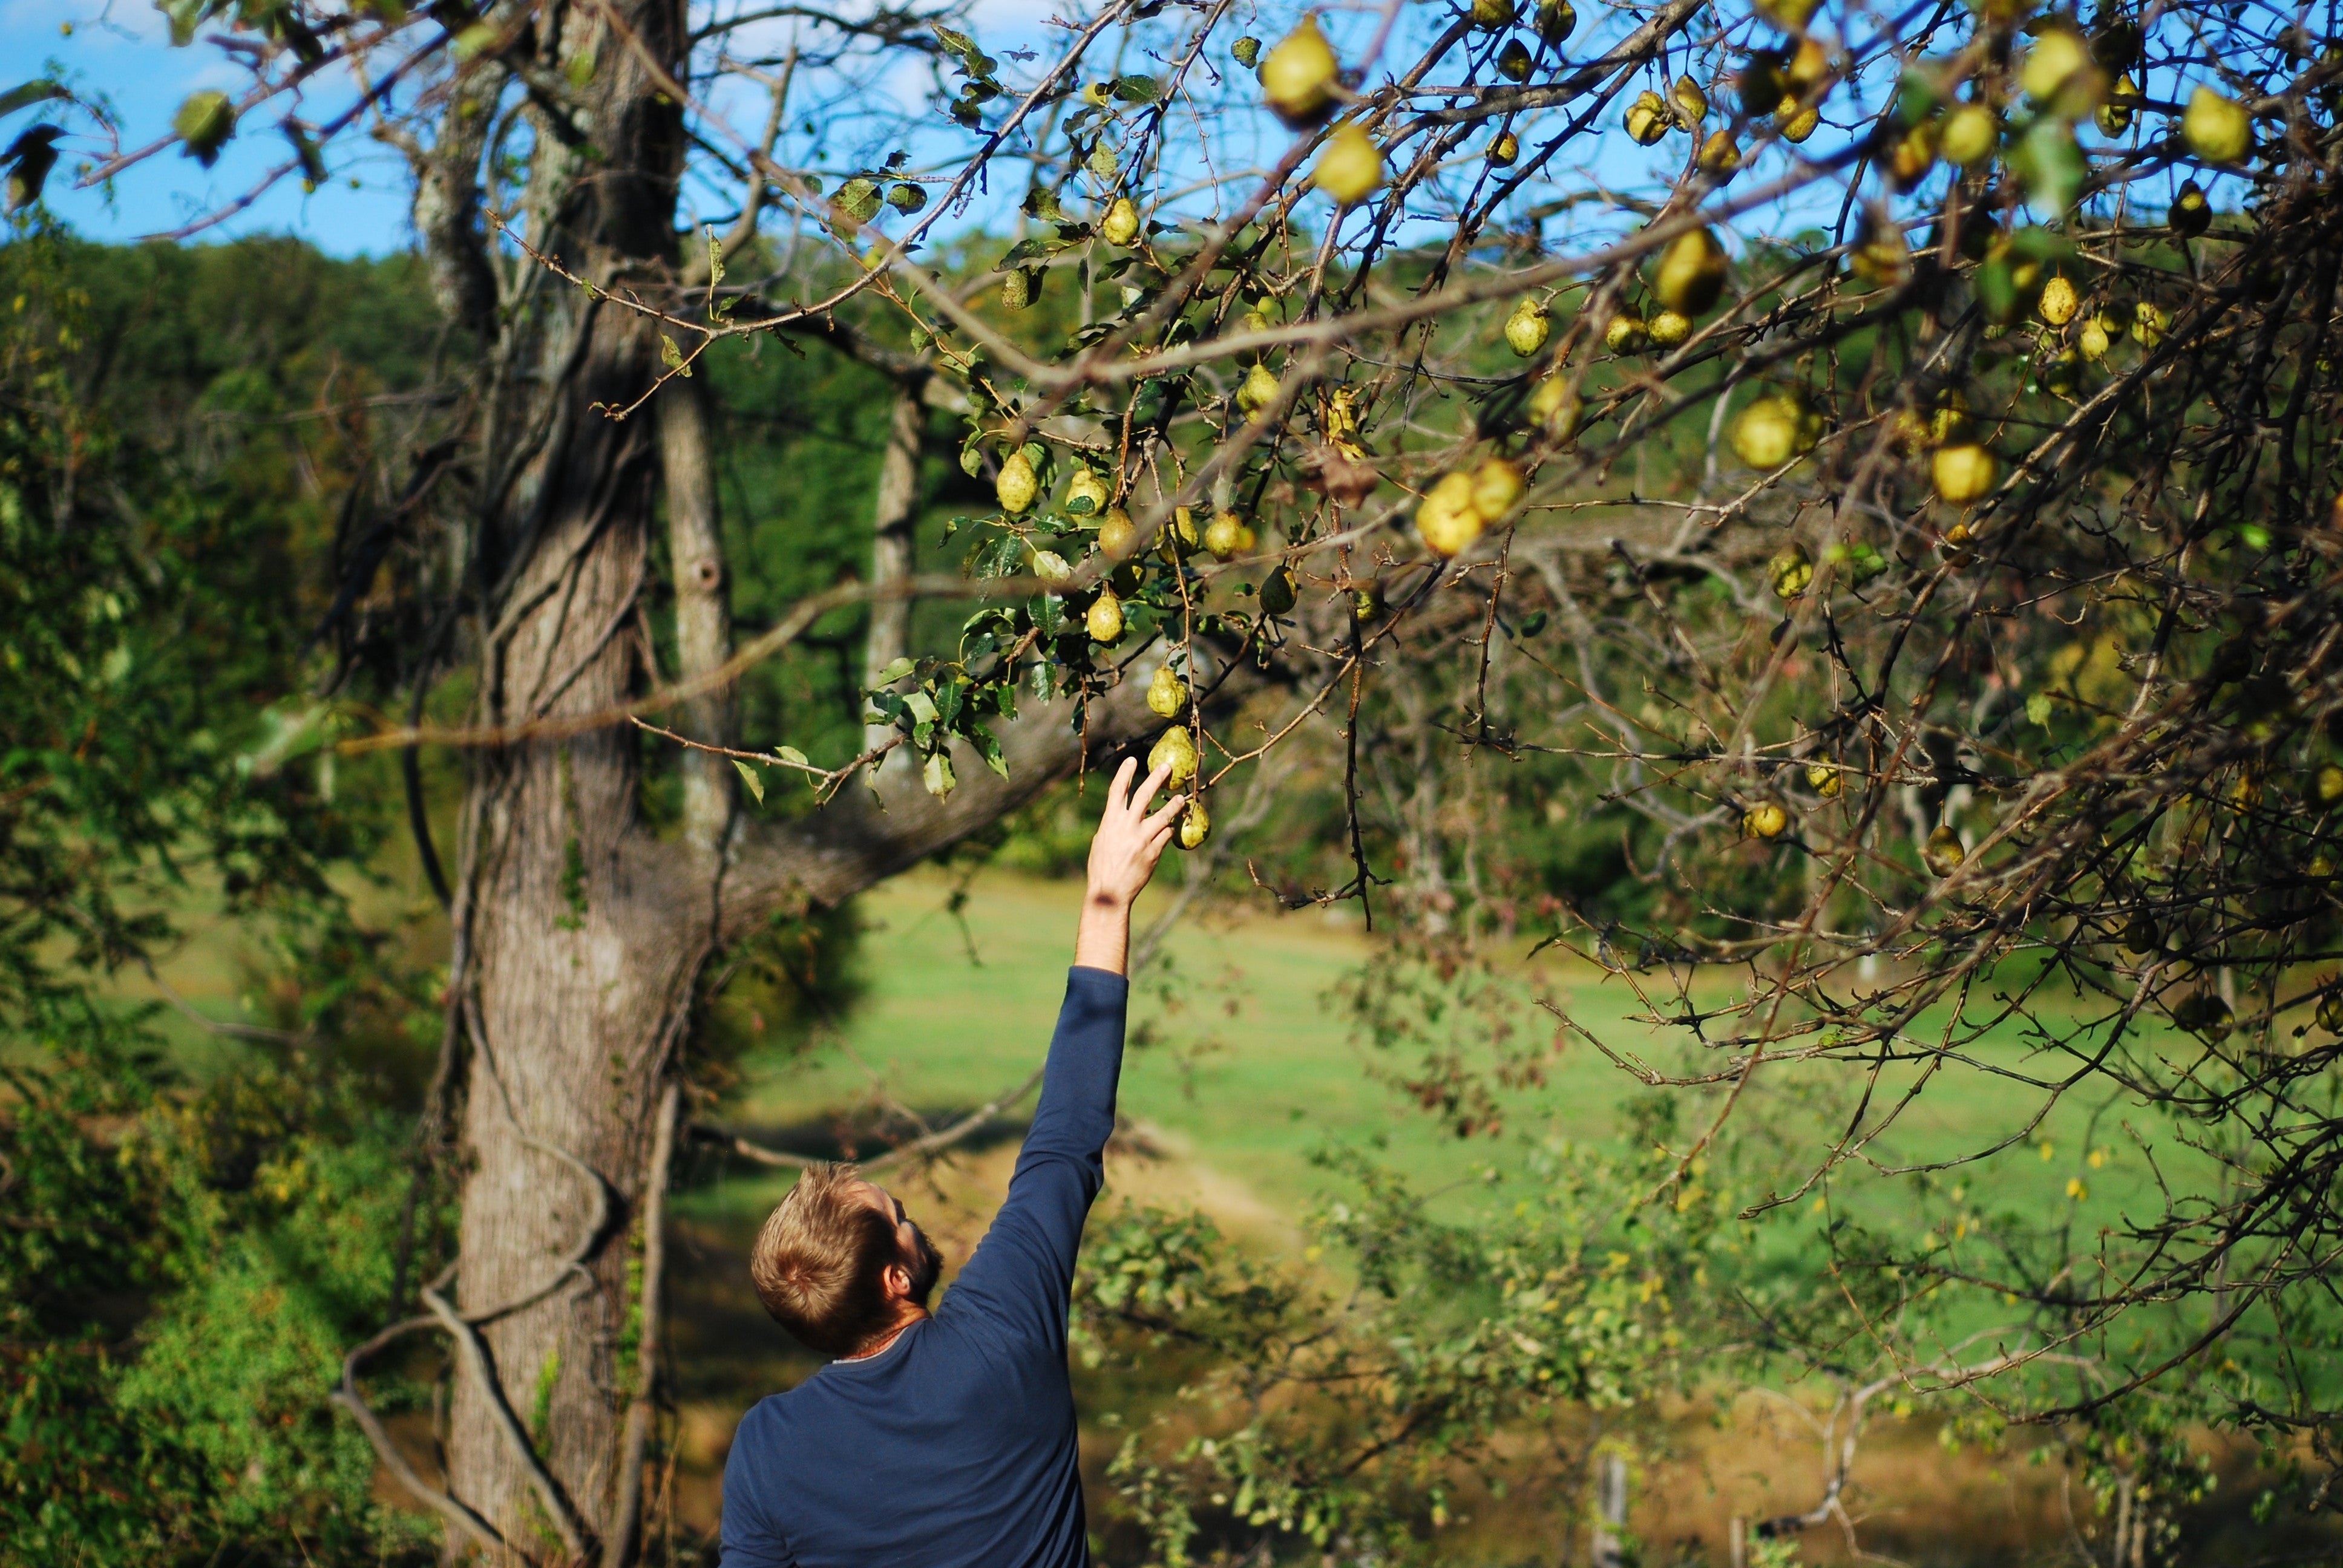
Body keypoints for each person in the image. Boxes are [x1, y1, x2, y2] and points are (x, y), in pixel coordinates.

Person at [721, 755, 1187, 1568]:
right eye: (898, 1222)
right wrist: (1106, 894)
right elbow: (1066, 1135)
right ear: (894, 1282)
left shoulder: (768, 1452)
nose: (910, 1218)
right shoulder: (1000, 1341)